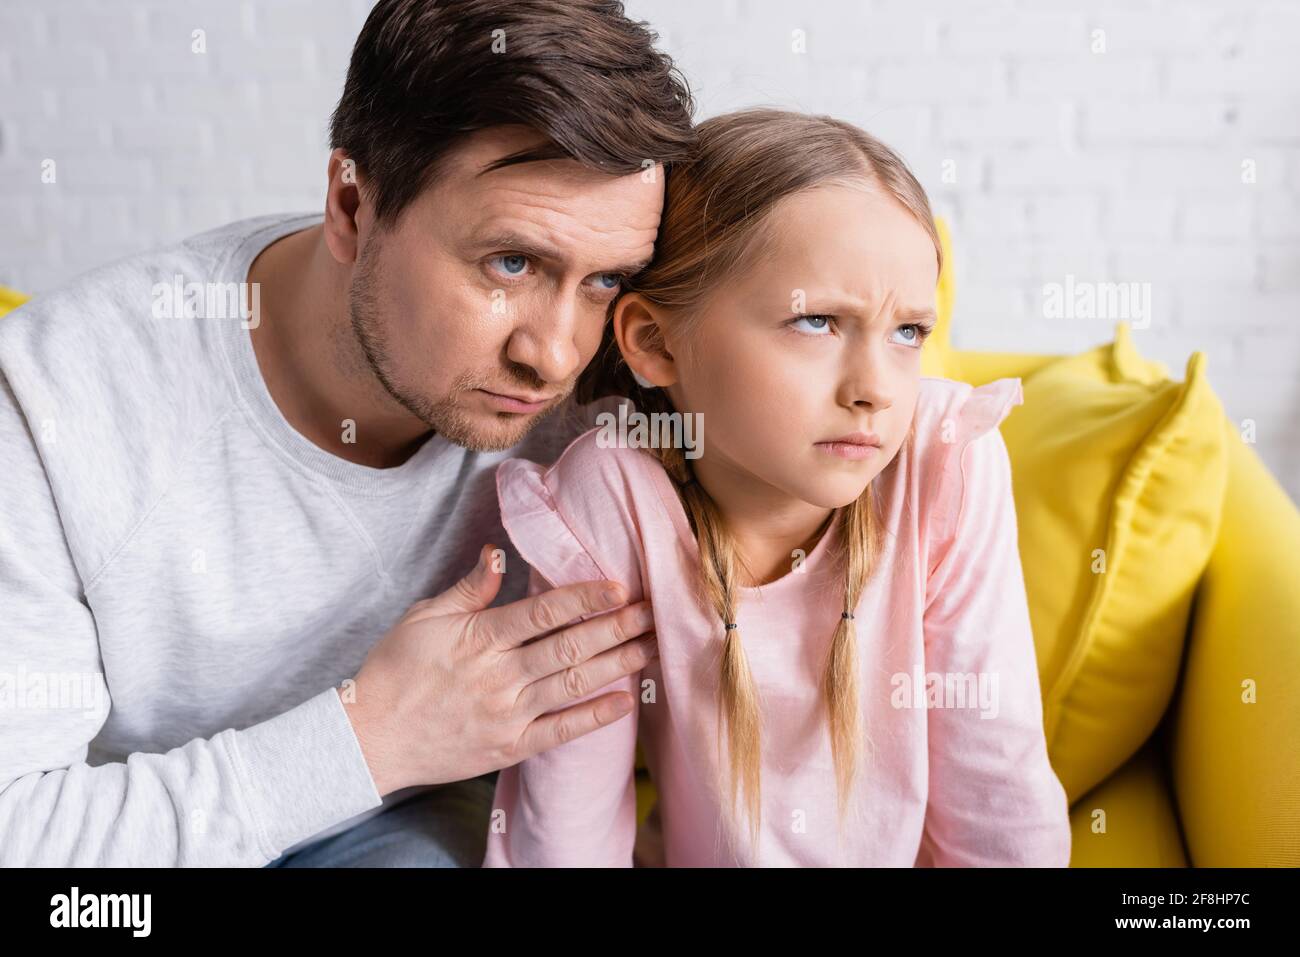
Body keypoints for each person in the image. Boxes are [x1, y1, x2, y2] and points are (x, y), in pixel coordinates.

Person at [0, 0, 695, 867]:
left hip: (411, 827)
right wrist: (373, 737)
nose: (553, 355)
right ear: (352, 204)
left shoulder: (620, 379)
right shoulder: (52, 408)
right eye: (510, 263)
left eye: (604, 280)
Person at [482, 109, 1073, 867]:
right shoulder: (612, 494)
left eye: (908, 334)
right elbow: (564, 829)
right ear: (657, 343)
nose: (874, 391)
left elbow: (1000, 790)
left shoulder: (946, 460)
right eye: (817, 321)